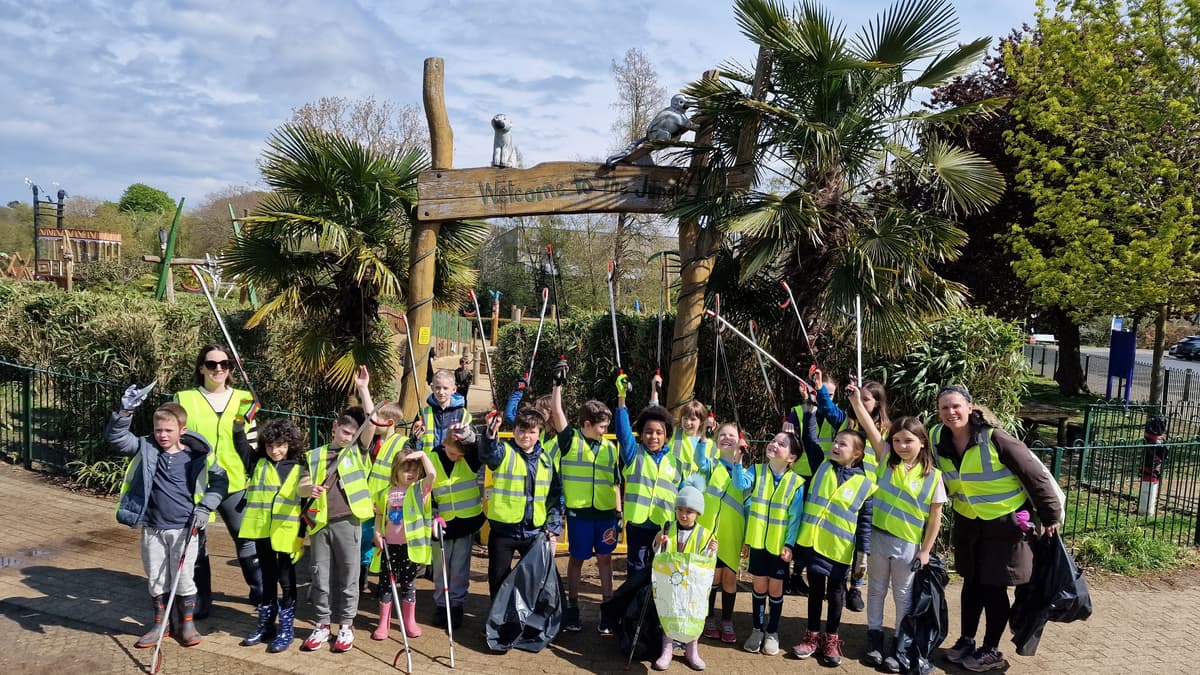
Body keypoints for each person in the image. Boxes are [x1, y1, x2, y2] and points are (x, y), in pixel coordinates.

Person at [933, 386, 1062, 672]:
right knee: (971, 584)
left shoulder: (995, 438)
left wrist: (1050, 515)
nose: (950, 412)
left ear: (969, 406)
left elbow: (1035, 474)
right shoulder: (936, 438)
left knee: (993, 587)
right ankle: (966, 641)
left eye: (955, 406)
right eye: (944, 408)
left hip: (1005, 526)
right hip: (968, 522)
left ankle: (991, 650)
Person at [107, 394, 227, 650]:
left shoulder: (199, 455)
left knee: (184, 578)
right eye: (158, 429)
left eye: (168, 430)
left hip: (185, 528)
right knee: (156, 579)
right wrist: (124, 412)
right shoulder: (146, 447)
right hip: (153, 527)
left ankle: (187, 624)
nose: (162, 435)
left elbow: (220, 481)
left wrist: (206, 507)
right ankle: (161, 625)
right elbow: (118, 440)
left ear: (182, 430)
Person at [847, 384, 945, 672]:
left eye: (908, 441)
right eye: (898, 440)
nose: (902, 446)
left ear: (922, 442)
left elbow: (935, 517)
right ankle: (874, 639)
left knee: (903, 595)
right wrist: (856, 402)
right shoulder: (884, 460)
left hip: (907, 545)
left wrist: (925, 551)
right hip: (878, 538)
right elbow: (869, 426)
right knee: (876, 591)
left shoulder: (933, 476)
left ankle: (899, 645)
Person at [786, 368, 890, 610]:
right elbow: (829, 409)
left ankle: (857, 587)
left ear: (877, 403)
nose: (860, 403)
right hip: (843, 486)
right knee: (843, 538)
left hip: (868, 490)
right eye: (858, 398)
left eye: (866, 399)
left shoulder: (884, 430)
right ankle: (841, 581)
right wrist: (821, 389)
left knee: (862, 543)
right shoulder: (847, 421)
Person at [173, 344, 260, 616]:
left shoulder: (246, 399)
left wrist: (255, 476)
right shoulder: (184, 398)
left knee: (247, 538)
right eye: (212, 364)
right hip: (197, 483)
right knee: (197, 541)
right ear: (201, 368)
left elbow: (253, 444)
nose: (219, 369)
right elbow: (174, 441)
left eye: (225, 364)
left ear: (232, 368)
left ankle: (259, 590)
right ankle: (201, 599)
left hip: (235, 482)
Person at [791, 404, 876, 667]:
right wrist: (808, 413)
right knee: (816, 591)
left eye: (843, 444)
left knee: (836, 593)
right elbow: (810, 440)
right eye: (836, 442)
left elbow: (864, 525)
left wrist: (862, 557)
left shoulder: (865, 486)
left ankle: (831, 638)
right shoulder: (821, 465)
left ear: (858, 453)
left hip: (840, 550)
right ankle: (811, 635)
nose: (836, 446)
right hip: (813, 544)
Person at [297, 401, 375, 654]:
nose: (348, 438)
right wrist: (310, 489)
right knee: (320, 575)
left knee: (349, 576)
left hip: (348, 522)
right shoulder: (314, 455)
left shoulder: (358, 452)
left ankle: (346, 626)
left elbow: (371, 424)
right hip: (320, 524)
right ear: (334, 427)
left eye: (353, 435)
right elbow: (301, 486)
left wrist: (364, 390)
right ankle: (321, 624)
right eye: (345, 432)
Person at [549, 364, 621, 634]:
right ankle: (572, 608)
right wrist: (557, 384)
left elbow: (615, 484)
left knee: (605, 561)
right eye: (602, 427)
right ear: (587, 425)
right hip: (579, 514)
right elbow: (557, 414)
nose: (605, 430)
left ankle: (607, 612)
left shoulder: (610, 448)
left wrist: (619, 513)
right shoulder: (570, 441)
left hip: (605, 515)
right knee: (577, 560)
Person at [238, 418, 308, 653]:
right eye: (269, 446)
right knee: (267, 580)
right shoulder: (258, 462)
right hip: (261, 532)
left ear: (290, 444)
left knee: (287, 583)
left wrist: (301, 536)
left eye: (280, 445)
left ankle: (286, 630)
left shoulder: (299, 468)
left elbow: (306, 497)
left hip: (287, 535)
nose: (274, 450)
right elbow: (240, 444)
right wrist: (239, 424)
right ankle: (266, 625)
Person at [615, 373, 694, 576]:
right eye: (649, 432)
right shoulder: (634, 454)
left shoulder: (676, 463)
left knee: (661, 570)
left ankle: (655, 608)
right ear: (641, 434)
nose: (654, 436)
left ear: (667, 435)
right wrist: (621, 398)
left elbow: (684, 495)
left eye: (659, 433)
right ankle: (634, 606)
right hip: (638, 523)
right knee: (636, 568)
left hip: (664, 524)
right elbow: (623, 435)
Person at [480, 408, 564, 597]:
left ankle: (528, 620)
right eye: (521, 430)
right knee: (498, 578)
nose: (526, 435)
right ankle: (499, 620)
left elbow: (555, 495)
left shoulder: (546, 459)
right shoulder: (503, 451)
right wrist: (490, 432)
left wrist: (553, 522)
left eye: (532, 431)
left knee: (533, 579)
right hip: (503, 530)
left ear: (539, 433)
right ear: (514, 430)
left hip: (534, 531)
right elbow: (487, 454)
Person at [742, 431, 805, 657]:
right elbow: (740, 483)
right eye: (774, 441)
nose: (774, 444)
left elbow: (795, 518)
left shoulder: (796, 483)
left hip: (780, 548)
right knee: (759, 587)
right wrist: (739, 457)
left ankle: (772, 632)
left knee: (775, 589)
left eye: (782, 444)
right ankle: (757, 629)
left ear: (791, 458)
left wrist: (790, 545)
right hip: (758, 543)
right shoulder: (756, 471)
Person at [371, 449, 436, 641]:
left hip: (410, 547)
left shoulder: (419, 490)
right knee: (385, 585)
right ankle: (383, 623)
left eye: (415, 470)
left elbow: (432, 474)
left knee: (408, 584)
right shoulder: (385, 493)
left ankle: (409, 621)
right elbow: (380, 516)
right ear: (395, 471)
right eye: (406, 470)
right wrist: (376, 533)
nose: (411, 474)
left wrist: (423, 456)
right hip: (389, 547)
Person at [650, 486, 718, 671]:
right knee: (669, 610)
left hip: (693, 587)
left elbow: (707, 561)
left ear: (698, 513)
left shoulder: (705, 534)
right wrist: (658, 540)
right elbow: (658, 551)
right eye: (680, 510)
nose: (683, 515)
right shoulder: (668, 527)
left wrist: (712, 549)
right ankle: (667, 649)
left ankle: (691, 649)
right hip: (671, 583)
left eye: (689, 511)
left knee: (693, 614)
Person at [698, 423, 752, 646]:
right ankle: (709, 618)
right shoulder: (710, 465)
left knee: (730, 579)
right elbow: (700, 461)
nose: (727, 438)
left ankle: (727, 620)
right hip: (709, 534)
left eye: (732, 435)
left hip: (733, 534)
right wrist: (703, 436)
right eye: (722, 435)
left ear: (741, 441)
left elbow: (746, 502)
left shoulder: (748, 474)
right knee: (712, 577)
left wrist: (747, 538)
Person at [427, 421, 485, 629]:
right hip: (440, 524)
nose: (456, 458)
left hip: (465, 523)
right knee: (441, 567)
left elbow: (481, 446)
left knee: (460, 567)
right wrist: (432, 515)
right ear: (445, 444)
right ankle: (442, 606)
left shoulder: (469, 458)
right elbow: (425, 491)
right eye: (453, 454)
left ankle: (456, 605)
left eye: (460, 455)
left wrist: (467, 433)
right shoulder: (431, 458)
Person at [363, 401, 412, 594]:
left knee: (386, 545)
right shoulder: (373, 442)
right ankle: (363, 581)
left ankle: (388, 585)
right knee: (367, 545)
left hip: (387, 505)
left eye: (377, 418)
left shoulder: (401, 443)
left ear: (389, 422)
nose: (373, 422)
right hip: (368, 502)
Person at [650, 373, 712, 474]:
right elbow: (655, 416)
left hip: (697, 488)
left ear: (701, 422)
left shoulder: (710, 444)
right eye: (685, 418)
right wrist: (654, 390)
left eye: (693, 419)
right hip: (673, 486)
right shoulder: (673, 434)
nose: (688, 422)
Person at [414, 369, 472, 454]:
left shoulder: (463, 414)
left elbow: (469, 444)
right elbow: (413, 443)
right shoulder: (423, 413)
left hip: (453, 464)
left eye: (445, 388)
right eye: (437, 388)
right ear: (432, 388)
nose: (441, 392)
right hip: (428, 463)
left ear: (454, 389)